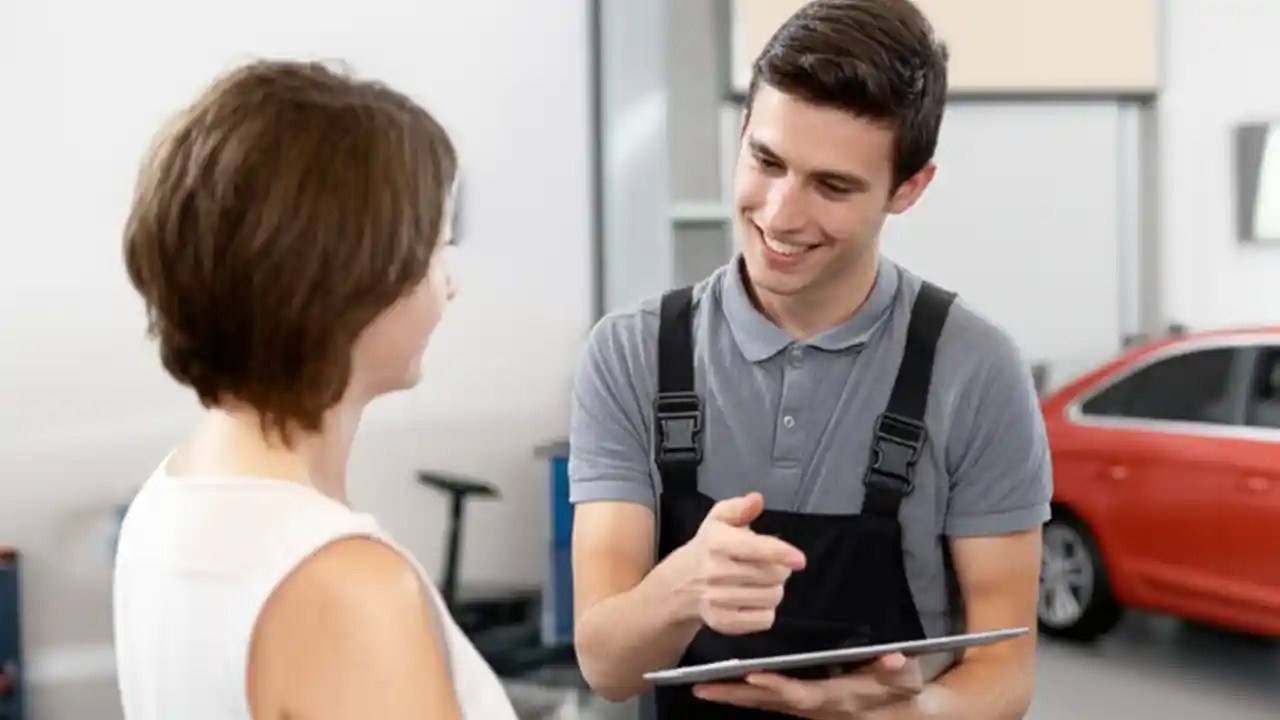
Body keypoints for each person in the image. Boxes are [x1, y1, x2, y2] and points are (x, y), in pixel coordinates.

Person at [568, 1, 1049, 718]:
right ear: (741, 132)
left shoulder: (975, 369)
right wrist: (685, 587)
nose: (782, 216)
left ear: (909, 189)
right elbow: (606, 666)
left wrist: (901, 715)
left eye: (833, 186)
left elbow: (1005, 668)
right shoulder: (631, 353)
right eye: (766, 161)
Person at [112, 59, 518, 720]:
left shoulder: (168, 501)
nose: (449, 285)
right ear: (351, 279)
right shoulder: (341, 584)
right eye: (436, 251)